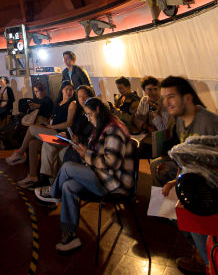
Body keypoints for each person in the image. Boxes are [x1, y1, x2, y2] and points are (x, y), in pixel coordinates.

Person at [153, 75, 218, 273]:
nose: (166, 102)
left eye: (171, 96)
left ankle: (209, 264)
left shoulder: (209, 124)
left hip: (217, 190)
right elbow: (186, 159)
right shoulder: (181, 122)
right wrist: (175, 181)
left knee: (188, 210)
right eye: (164, 98)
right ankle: (197, 251)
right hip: (195, 182)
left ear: (188, 98)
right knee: (163, 203)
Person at [34, 98, 136, 253]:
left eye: (89, 114)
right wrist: (83, 150)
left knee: (67, 167)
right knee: (68, 186)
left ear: (98, 110)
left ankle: (54, 194)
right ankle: (70, 235)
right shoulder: (103, 127)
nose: (88, 118)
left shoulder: (114, 130)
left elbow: (111, 163)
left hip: (114, 183)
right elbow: (98, 154)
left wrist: (86, 155)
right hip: (103, 176)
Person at [9, 82, 75, 187]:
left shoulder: (72, 104)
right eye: (66, 89)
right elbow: (53, 117)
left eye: (71, 90)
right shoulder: (59, 102)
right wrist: (48, 124)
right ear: (62, 90)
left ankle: (20, 153)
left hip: (62, 138)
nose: (68, 92)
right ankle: (32, 176)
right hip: (53, 134)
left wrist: (51, 127)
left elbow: (68, 123)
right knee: (32, 143)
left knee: (32, 128)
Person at [39, 84, 95, 184]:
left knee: (52, 147)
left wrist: (77, 137)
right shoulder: (78, 111)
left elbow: (89, 133)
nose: (82, 99)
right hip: (69, 139)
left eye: (85, 96)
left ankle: (49, 182)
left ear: (90, 97)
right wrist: (67, 134)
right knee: (47, 143)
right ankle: (49, 181)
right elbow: (71, 127)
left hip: (80, 144)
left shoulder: (93, 113)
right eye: (80, 96)